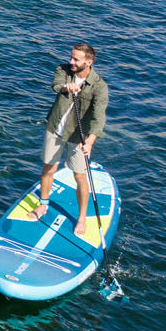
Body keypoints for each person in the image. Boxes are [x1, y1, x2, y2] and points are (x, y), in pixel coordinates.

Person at [32, 42, 109, 239]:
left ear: (89, 62)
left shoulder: (99, 87)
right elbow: (56, 85)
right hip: (55, 128)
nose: (71, 61)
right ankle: (43, 205)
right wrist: (67, 86)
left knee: (80, 177)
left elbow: (98, 117)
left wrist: (90, 141)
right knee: (48, 167)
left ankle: (82, 217)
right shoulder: (64, 70)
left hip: (79, 136)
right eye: (71, 57)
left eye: (76, 59)